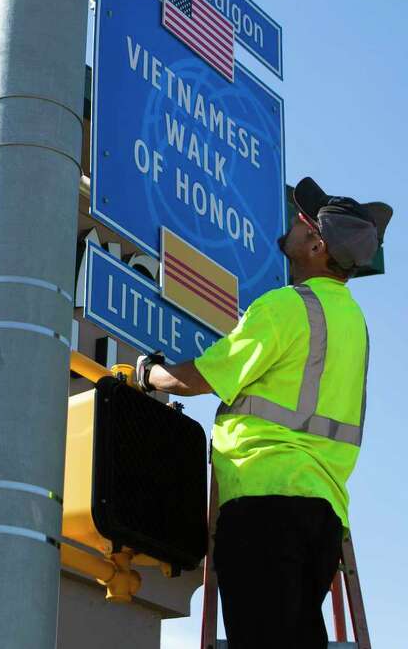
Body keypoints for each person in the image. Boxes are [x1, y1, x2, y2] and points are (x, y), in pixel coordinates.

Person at [134, 177, 391, 649]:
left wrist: (148, 374)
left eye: (303, 219)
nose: (293, 220)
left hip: (263, 504)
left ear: (316, 244)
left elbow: (198, 379)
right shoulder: (354, 323)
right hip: (324, 515)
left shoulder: (286, 308)